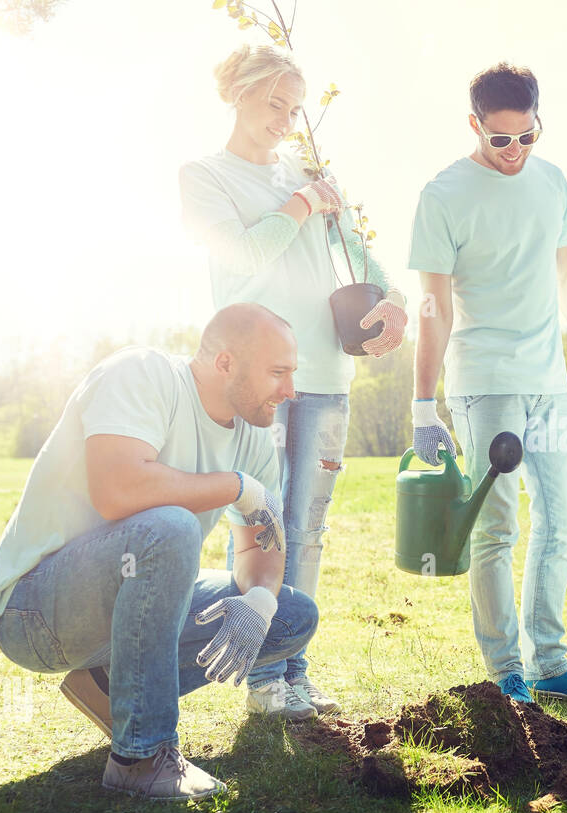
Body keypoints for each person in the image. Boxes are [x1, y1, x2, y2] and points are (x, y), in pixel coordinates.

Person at [0, 304, 320, 801]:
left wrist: (260, 599)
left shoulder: (253, 438)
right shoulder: (141, 374)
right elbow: (117, 489)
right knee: (170, 527)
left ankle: (108, 683)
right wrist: (235, 486)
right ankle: (141, 758)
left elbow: (260, 542)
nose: (290, 391)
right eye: (278, 373)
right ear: (225, 363)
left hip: (117, 607)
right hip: (33, 611)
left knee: (291, 614)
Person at [180, 44, 406, 720]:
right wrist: (305, 202)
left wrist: (391, 295)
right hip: (257, 376)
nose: (283, 118)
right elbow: (243, 257)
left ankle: (290, 671)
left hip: (328, 372)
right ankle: (260, 676)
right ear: (237, 93)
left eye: (293, 107)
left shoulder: (308, 172)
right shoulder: (204, 177)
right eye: (272, 102)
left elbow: (356, 250)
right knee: (262, 521)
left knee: (307, 524)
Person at [407, 63, 567, 704]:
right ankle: (505, 674)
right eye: (501, 140)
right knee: (497, 527)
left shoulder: (551, 182)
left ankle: (549, 662)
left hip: (548, 382)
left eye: (528, 136)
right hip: (484, 380)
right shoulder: (444, 194)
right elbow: (432, 306)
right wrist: (420, 401)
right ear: (475, 125)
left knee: (562, 519)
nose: (516, 151)